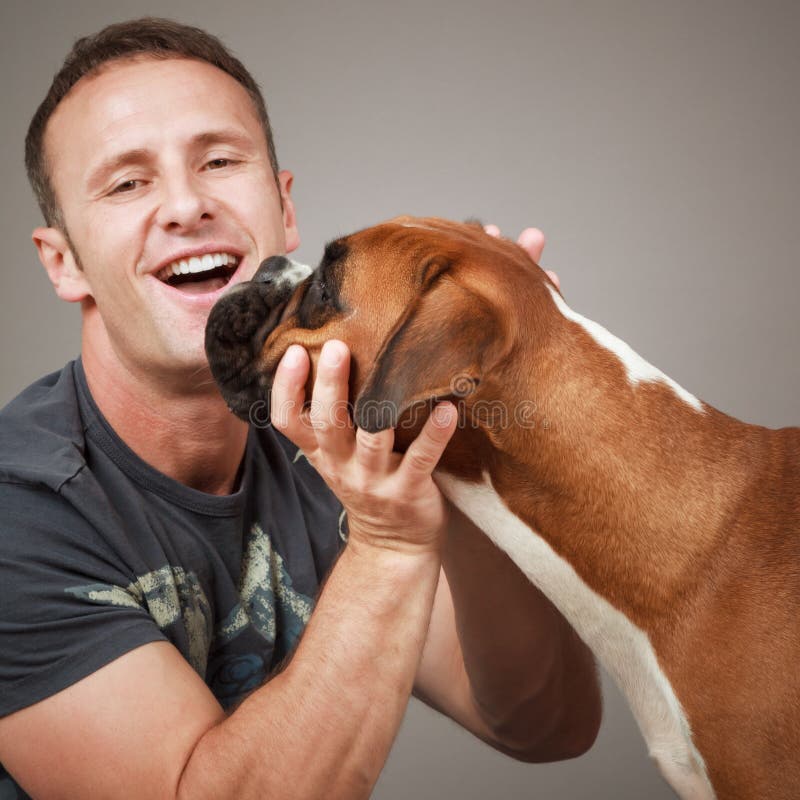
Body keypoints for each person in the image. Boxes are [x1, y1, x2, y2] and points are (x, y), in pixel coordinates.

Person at [0, 17, 601, 800]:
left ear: (284, 211)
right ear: (65, 261)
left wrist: (463, 443)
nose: (186, 205)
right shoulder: (19, 512)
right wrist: (386, 545)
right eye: (127, 182)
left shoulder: (343, 430)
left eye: (219, 160)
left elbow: (546, 725)